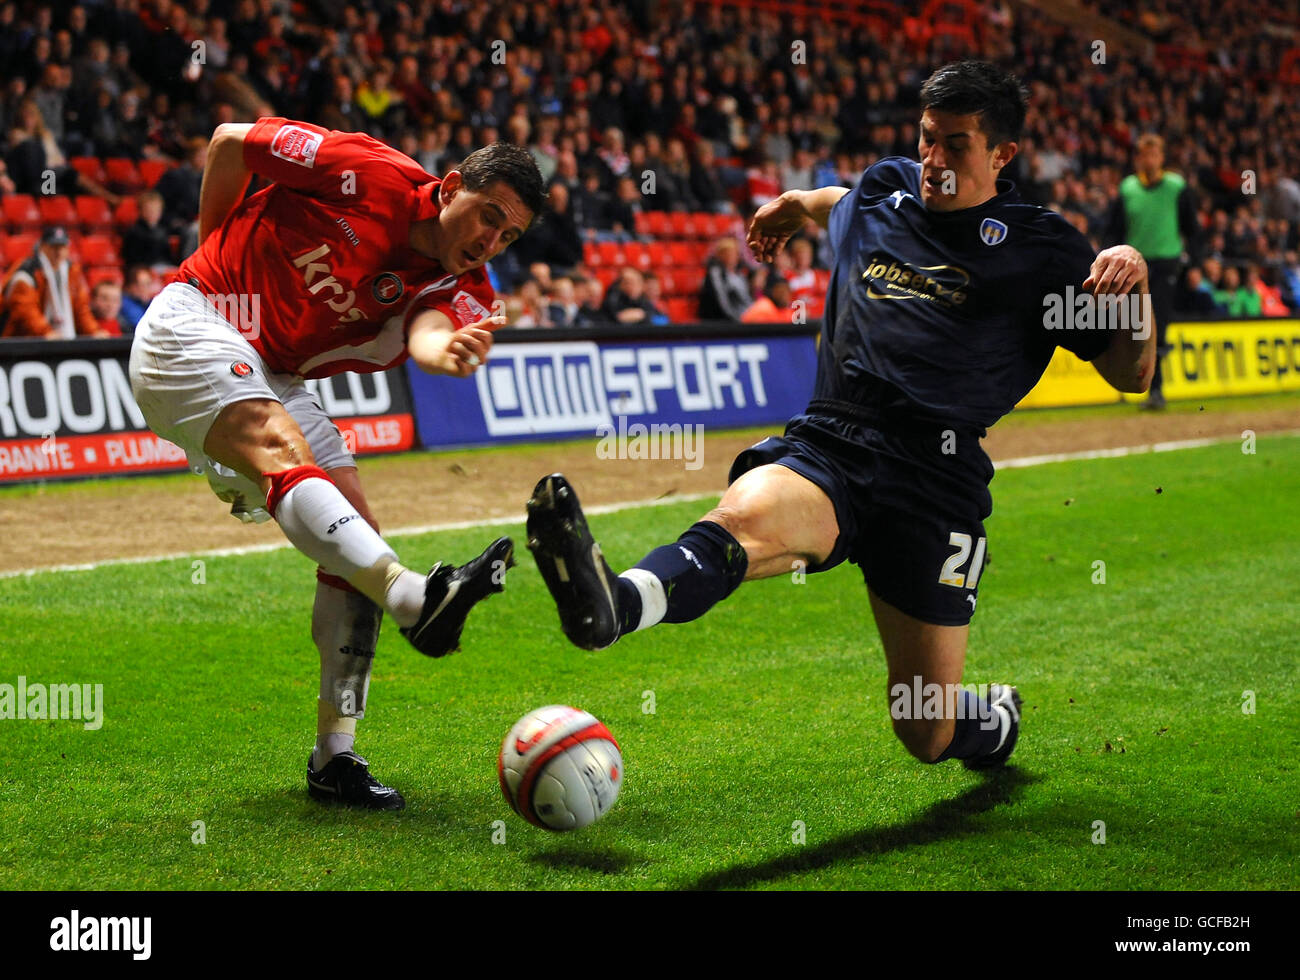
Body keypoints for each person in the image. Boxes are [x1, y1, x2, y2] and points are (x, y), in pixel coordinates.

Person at [525, 61, 1154, 775]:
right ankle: (617, 603)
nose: (934, 160)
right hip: (837, 441)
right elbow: (844, 199)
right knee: (741, 520)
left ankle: (991, 720)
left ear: (1003, 155)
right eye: (927, 138)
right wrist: (795, 202)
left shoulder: (1044, 249)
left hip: (936, 479)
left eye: (956, 145)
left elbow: (1132, 374)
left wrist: (1134, 280)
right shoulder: (889, 190)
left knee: (925, 730)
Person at [128, 118, 544, 810]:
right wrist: (210, 250)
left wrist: (444, 356)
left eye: (508, 237)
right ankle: (415, 598)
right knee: (287, 456)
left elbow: (432, 331)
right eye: (488, 218)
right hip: (194, 321)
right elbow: (230, 142)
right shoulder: (364, 170)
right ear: (449, 190)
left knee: (356, 546)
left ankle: (335, 757)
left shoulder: (466, 290)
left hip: (277, 373)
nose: (489, 243)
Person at [1104, 133, 1198, 410]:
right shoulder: (1128, 189)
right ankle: (1134, 386)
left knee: (1159, 325)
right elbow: (1115, 230)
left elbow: (1192, 229)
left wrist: (1194, 265)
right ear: (1138, 159)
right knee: (1135, 327)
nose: (1148, 160)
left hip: (1166, 265)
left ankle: (1156, 390)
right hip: (1133, 266)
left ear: (1161, 158)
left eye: (1153, 155)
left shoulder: (1177, 187)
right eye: (1144, 155)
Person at [1, 226, 106, 338]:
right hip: (21, 341)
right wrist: (46, 332)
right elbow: (26, 313)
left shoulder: (72, 273)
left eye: (62, 247)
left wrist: (94, 331)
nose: (59, 252)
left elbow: (81, 309)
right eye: (54, 247)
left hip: (55, 337)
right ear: (42, 247)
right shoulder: (26, 274)